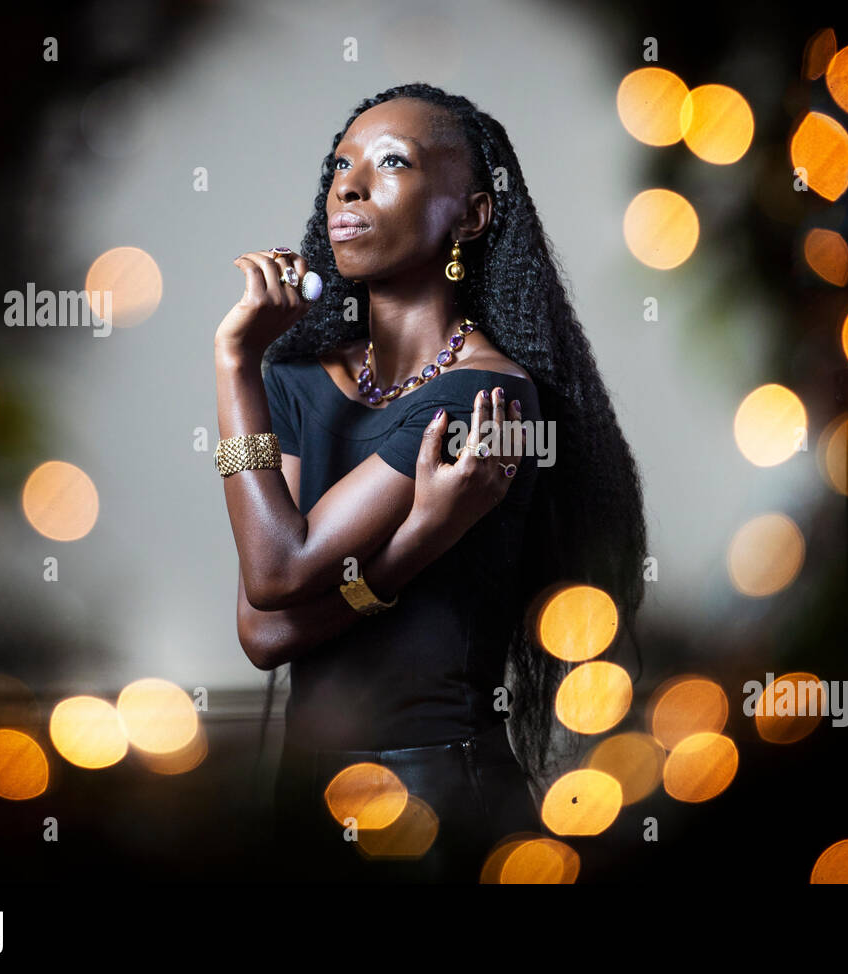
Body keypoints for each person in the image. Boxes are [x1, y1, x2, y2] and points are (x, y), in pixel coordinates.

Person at [213, 83, 647, 882]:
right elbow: (263, 632)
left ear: (472, 216)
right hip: (303, 796)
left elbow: (282, 568)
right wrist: (419, 539)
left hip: (436, 794)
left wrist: (233, 366)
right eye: (340, 166)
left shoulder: (490, 396)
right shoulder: (299, 379)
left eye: (391, 163)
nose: (348, 185)